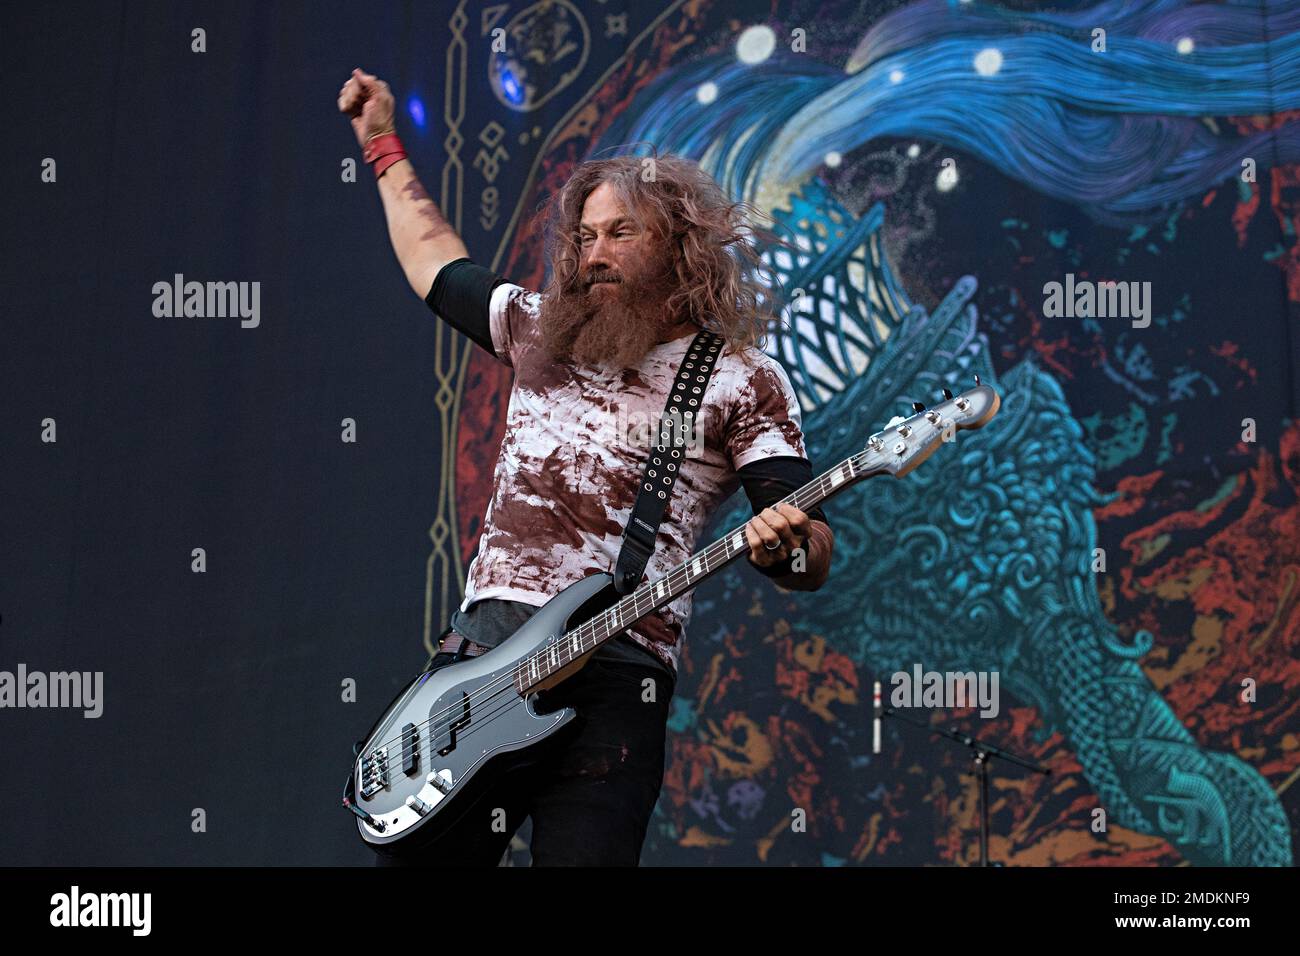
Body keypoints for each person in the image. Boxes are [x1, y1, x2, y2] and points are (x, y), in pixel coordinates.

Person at [339, 68, 834, 866]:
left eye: (620, 234)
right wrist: (380, 142)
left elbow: (808, 548)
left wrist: (788, 544)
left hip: (620, 675)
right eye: (584, 236)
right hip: (481, 655)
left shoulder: (743, 378)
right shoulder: (538, 331)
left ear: (681, 249)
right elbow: (434, 257)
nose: (592, 253)